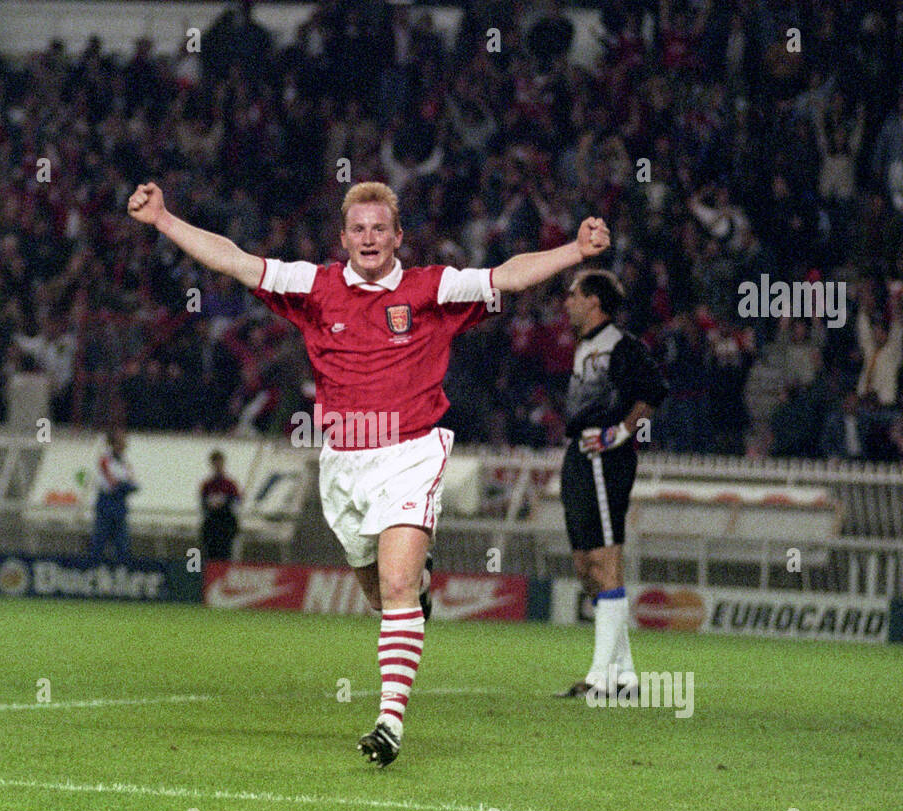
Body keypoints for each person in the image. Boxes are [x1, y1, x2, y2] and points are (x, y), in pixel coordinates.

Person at [129, 178, 610, 766]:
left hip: (412, 452)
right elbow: (234, 260)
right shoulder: (315, 286)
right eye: (358, 229)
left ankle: (389, 722)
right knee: (380, 593)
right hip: (343, 462)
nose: (369, 237)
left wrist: (574, 253)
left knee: (400, 586)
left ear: (398, 236)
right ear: (343, 238)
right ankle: (417, 593)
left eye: (380, 228)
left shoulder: (432, 287)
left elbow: (506, 274)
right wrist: (164, 220)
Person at [555, 270, 668, 700]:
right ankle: (624, 675)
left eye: (574, 295)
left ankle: (601, 678)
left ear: (594, 301)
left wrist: (618, 434)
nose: (566, 302)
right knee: (586, 566)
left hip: (605, 459)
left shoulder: (621, 345)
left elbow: (654, 390)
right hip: (580, 456)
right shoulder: (587, 345)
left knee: (605, 562)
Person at [88, 425, 138, 564]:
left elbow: (132, 483)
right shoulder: (105, 460)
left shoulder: (125, 462)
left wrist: (126, 485)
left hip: (120, 506)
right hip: (107, 504)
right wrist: (125, 485)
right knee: (99, 543)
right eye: (121, 440)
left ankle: (122, 570)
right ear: (114, 443)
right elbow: (112, 484)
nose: (124, 443)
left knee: (122, 545)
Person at [199, 450, 242, 561]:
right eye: (215, 463)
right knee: (211, 556)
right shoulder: (207, 485)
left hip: (226, 526)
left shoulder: (230, 484)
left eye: (220, 462)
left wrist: (226, 502)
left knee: (227, 555)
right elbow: (203, 504)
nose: (218, 466)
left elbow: (237, 502)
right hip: (212, 526)